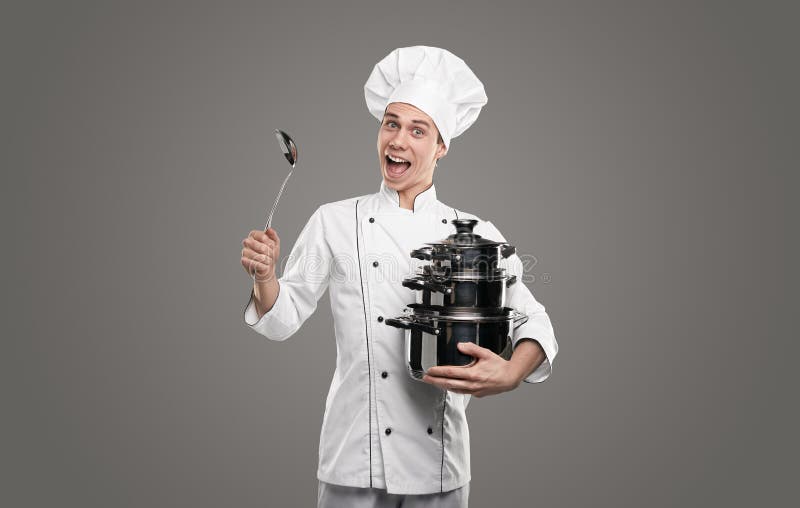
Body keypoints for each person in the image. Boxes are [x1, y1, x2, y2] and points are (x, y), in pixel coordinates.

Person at [240, 46, 558, 508]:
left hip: (439, 466)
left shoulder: (477, 236)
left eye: (417, 129)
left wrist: (511, 372)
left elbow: (534, 320)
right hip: (351, 459)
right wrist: (265, 276)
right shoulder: (334, 220)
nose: (398, 140)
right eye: (391, 124)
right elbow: (283, 315)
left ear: (441, 145)